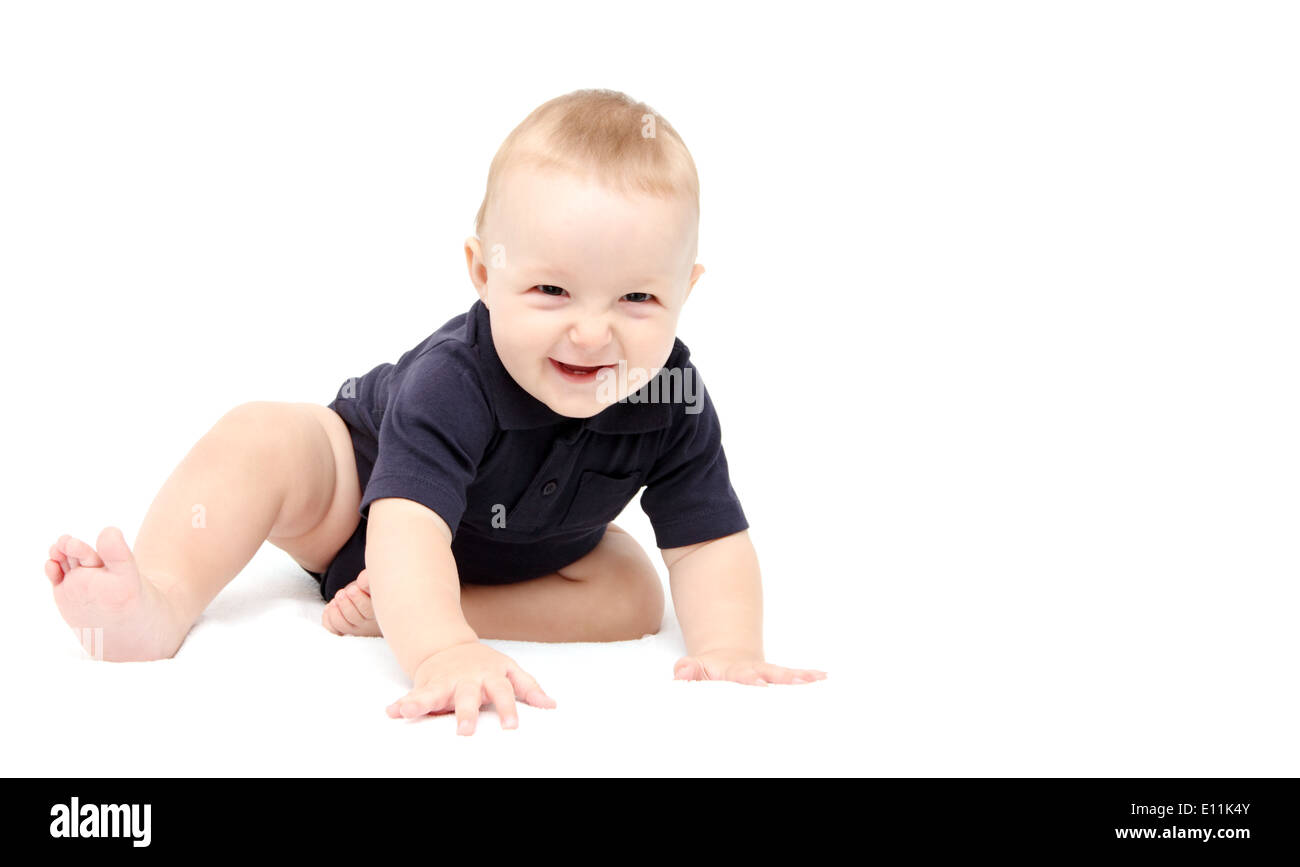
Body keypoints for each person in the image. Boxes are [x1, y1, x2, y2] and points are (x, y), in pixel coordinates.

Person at [44, 88, 827, 736]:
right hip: (360, 500)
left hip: (506, 553)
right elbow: (409, 523)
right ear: (483, 272)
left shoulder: (673, 399)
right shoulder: (457, 378)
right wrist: (445, 649)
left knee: (635, 590)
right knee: (267, 437)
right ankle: (159, 598)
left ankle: (396, 610)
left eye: (638, 297)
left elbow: (708, 543)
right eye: (551, 290)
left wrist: (729, 646)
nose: (594, 331)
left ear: (686, 291)